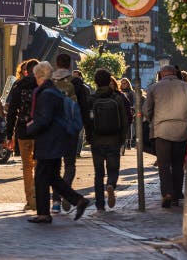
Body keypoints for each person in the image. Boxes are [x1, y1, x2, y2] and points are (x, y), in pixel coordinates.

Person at [26, 61, 90, 224]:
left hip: (49, 141)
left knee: (41, 177)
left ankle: (44, 214)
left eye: (35, 76)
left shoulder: (46, 93)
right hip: (56, 139)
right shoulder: (53, 90)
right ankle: (78, 200)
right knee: (53, 177)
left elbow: (45, 119)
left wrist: (30, 128)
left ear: (39, 76)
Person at [144, 65, 187, 208]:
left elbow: (146, 110)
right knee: (177, 164)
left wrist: (152, 120)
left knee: (163, 165)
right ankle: (175, 196)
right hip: (181, 131)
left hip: (161, 131)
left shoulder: (154, 88)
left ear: (162, 74)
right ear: (175, 73)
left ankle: (167, 193)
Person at [49, 53, 90, 213]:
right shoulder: (77, 82)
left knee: (54, 167)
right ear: (70, 65)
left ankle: (55, 202)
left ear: (56, 64)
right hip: (70, 129)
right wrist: (87, 129)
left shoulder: (49, 81)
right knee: (70, 165)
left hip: (53, 129)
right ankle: (65, 194)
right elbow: (84, 107)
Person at [87, 70, 129, 212]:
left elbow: (88, 121)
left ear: (96, 82)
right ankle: (111, 184)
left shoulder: (92, 99)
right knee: (113, 169)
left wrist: (89, 137)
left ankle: (100, 204)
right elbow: (124, 120)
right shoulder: (117, 98)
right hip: (114, 139)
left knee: (98, 173)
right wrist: (122, 138)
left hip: (97, 140)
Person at [5, 58, 39, 210]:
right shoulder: (43, 85)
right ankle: (39, 196)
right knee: (39, 165)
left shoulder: (19, 85)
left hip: (23, 129)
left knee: (27, 166)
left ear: (26, 71)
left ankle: (30, 200)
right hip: (40, 131)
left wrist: (9, 134)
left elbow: (12, 112)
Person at [118, 78, 136, 149]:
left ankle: (128, 142)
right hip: (120, 111)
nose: (123, 84)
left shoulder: (131, 92)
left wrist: (133, 109)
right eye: (122, 83)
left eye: (125, 83)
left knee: (129, 127)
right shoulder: (119, 92)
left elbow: (135, 102)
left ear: (128, 84)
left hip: (129, 111)